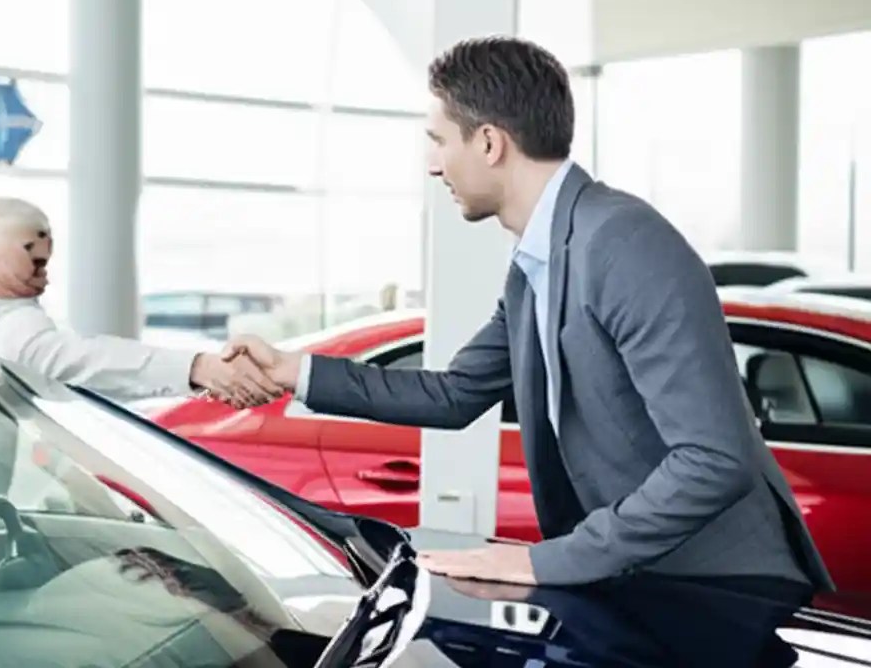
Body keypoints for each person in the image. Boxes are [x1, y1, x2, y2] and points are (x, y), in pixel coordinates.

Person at [223, 36, 834, 591]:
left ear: (489, 142)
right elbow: (454, 395)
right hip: (645, 581)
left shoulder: (624, 245)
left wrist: (544, 561)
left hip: (721, 590)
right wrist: (292, 371)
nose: (433, 166)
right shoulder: (537, 263)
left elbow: (714, 460)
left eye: (438, 142)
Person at [0, 194, 280, 407]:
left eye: (44, 245)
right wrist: (195, 367)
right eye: (29, 249)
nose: (43, 258)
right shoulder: (9, 322)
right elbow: (82, 360)